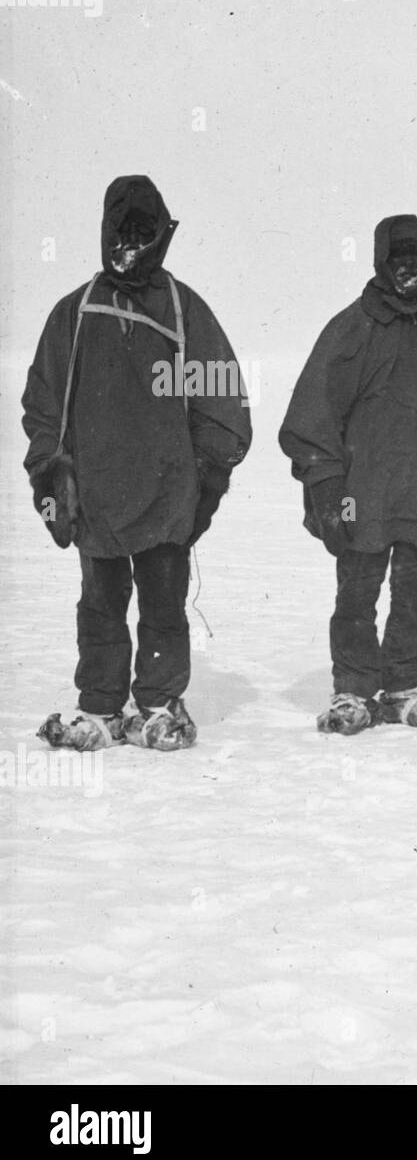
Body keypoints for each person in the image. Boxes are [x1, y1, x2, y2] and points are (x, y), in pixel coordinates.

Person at [22, 175, 251, 751]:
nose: (130, 244)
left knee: (164, 604)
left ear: (160, 237)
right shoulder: (73, 314)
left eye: (142, 233)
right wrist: (51, 475)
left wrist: (208, 480)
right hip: (94, 495)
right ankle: (100, 706)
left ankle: (157, 703)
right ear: (105, 233)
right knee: (99, 605)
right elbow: (43, 405)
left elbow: (220, 400)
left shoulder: (182, 310)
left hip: (168, 494)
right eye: (121, 232)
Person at [280, 214, 417, 735]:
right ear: (381, 263)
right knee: (357, 593)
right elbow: (313, 411)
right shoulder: (351, 328)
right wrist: (326, 487)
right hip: (363, 496)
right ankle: (352, 691)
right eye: (397, 259)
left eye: (416, 259)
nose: (407, 268)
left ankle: (404, 685)